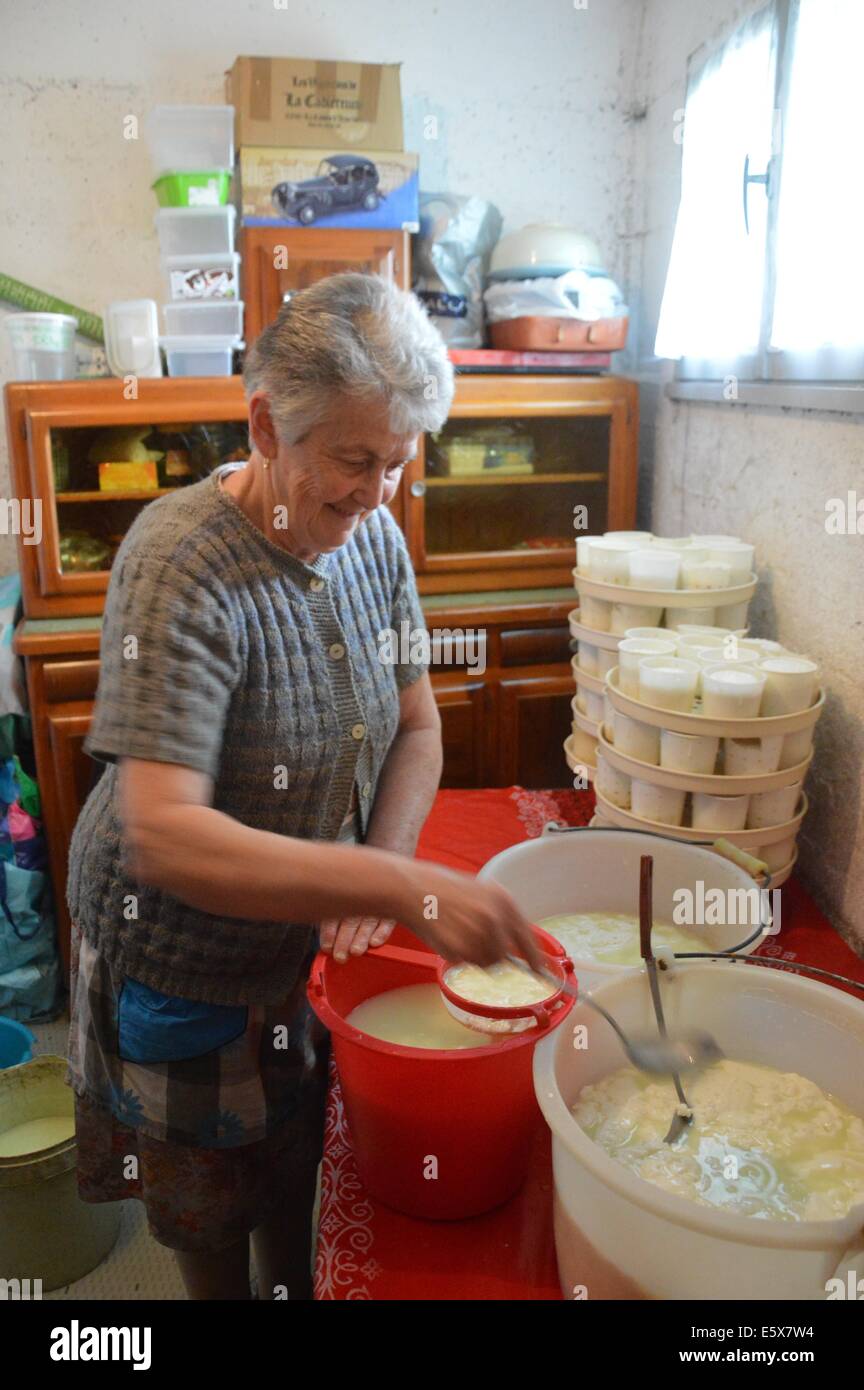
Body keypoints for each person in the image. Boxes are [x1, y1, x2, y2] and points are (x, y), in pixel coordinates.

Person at [65, 273, 539, 1300]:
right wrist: (393, 892)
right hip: (182, 954)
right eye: (354, 461)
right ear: (267, 426)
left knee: (295, 1164)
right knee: (207, 1197)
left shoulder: (374, 535)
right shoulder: (179, 563)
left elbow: (418, 723)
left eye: (399, 465)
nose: (376, 496)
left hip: (304, 937)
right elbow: (164, 832)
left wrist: (382, 863)